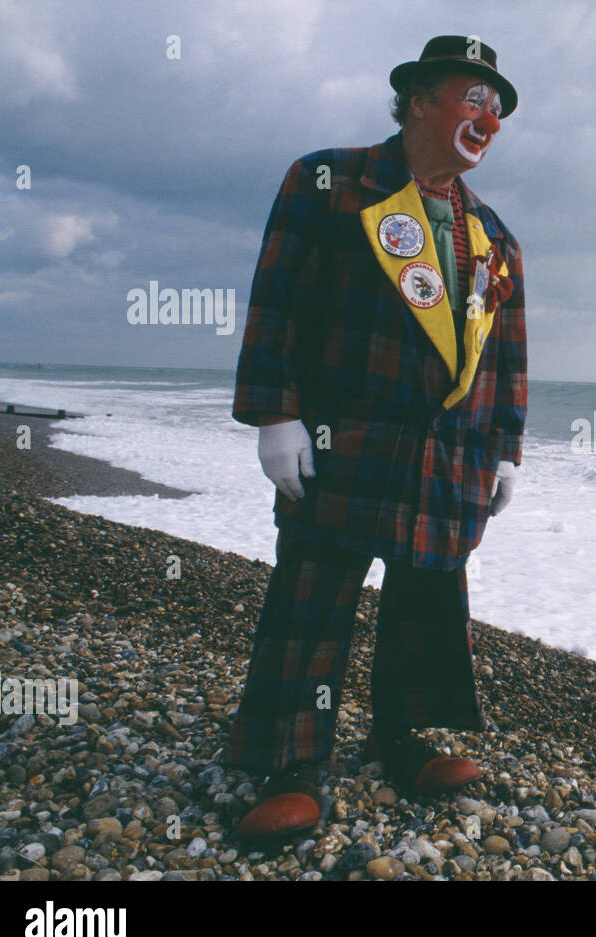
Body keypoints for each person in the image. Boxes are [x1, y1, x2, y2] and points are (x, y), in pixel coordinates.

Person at [223, 35, 527, 842]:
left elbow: (507, 354)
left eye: (497, 109)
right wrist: (273, 413)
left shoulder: (495, 235)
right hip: (341, 442)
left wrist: (504, 447)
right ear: (420, 99)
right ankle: (289, 762)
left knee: (428, 599)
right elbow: (276, 300)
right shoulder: (327, 179)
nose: (487, 119)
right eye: (474, 98)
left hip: (449, 457)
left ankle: (402, 737)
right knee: (313, 596)